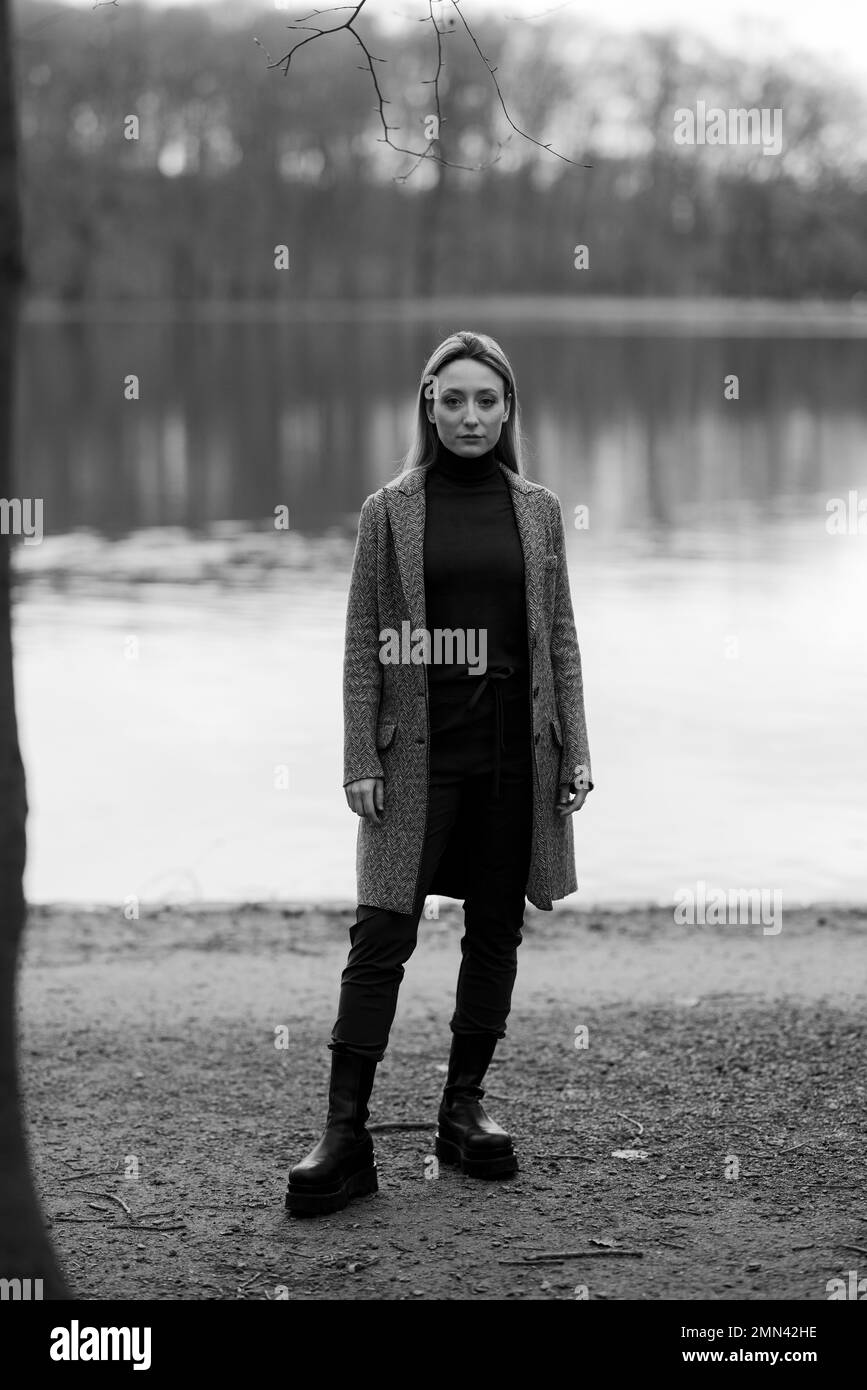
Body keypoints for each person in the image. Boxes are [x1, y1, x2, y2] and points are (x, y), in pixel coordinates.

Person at [286, 330, 593, 1216]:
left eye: (485, 401)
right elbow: (361, 645)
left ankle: (463, 1112)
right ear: (428, 405)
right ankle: (344, 1137)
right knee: (381, 933)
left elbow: (560, 638)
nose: (470, 416)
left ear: (507, 412)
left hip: (512, 755)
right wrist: (357, 757)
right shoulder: (391, 509)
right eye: (452, 400)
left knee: (495, 929)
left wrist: (574, 745)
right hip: (416, 756)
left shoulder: (536, 509)